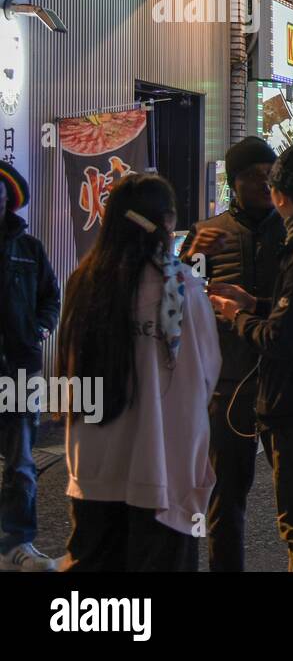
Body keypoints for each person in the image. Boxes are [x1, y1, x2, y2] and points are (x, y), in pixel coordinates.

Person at [180, 136, 293, 572]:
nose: (264, 184)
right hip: (231, 383)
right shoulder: (210, 233)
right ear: (234, 182)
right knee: (226, 496)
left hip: (288, 389)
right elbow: (182, 296)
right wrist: (192, 259)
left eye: (270, 176)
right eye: (253, 176)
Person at [60, 174, 221, 571]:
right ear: (165, 222)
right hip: (163, 461)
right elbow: (207, 372)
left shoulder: (84, 280)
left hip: (94, 459)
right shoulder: (181, 286)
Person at [0, 160, 61, 572]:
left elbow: (50, 297)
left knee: (21, 462)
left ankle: (16, 545)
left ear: (9, 198)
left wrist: (40, 328)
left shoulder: (30, 249)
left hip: (21, 369)